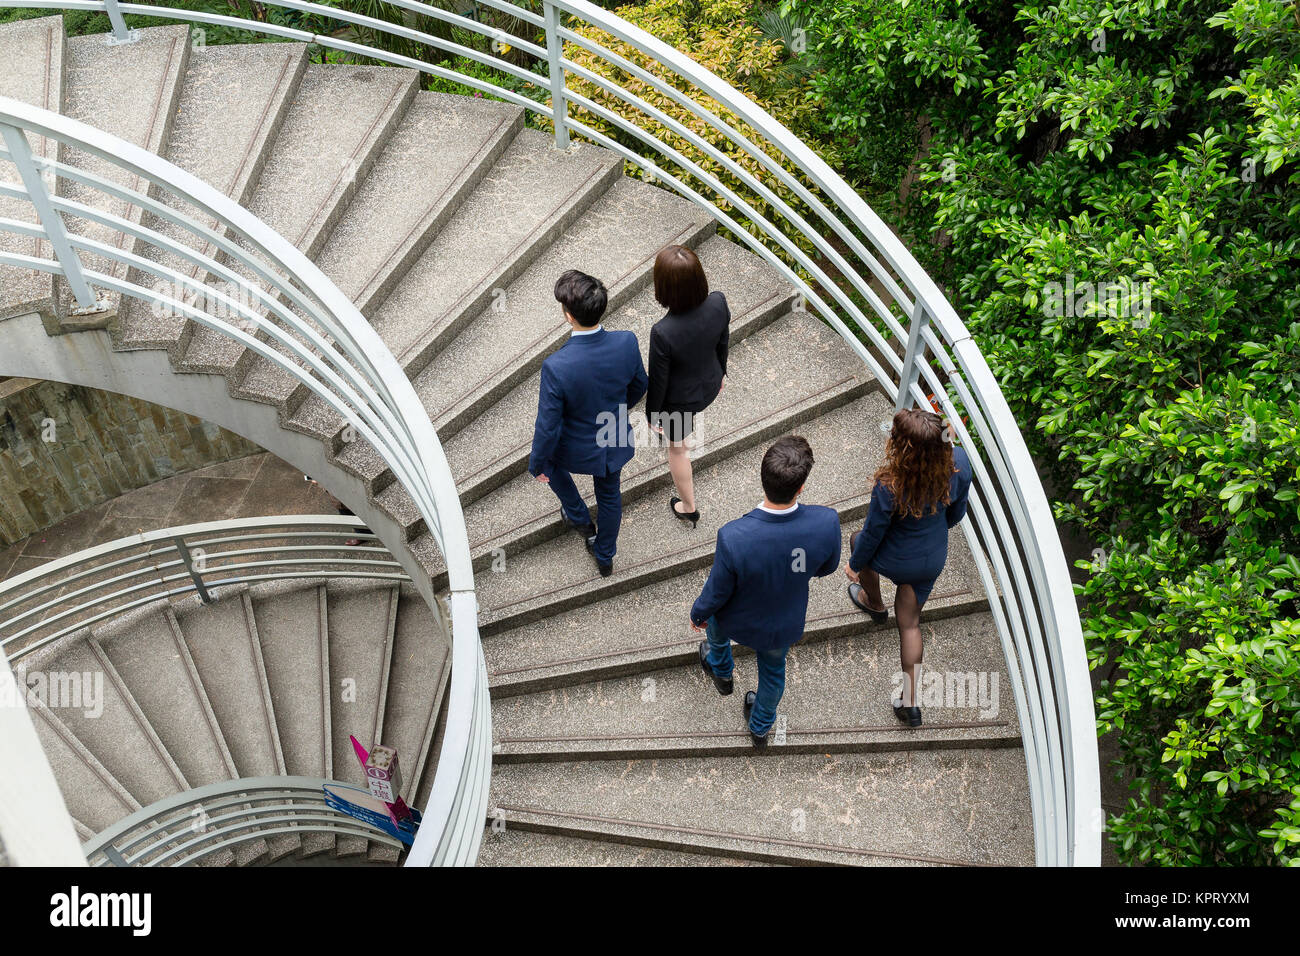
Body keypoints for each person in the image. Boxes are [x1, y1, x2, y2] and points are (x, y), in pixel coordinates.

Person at [690, 435, 841, 748]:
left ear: (762, 479)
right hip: (781, 624)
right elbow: (827, 567)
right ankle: (760, 727)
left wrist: (699, 613)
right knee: (773, 673)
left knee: (716, 632)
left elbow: (718, 590)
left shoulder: (734, 536)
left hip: (736, 619)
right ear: (800, 487)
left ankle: (723, 673)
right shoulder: (826, 522)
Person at [844, 408, 972, 727]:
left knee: (857, 540)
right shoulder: (961, 463)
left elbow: (873, 534)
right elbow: (956, 515)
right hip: (929, 561)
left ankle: (874, 603)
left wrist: (855, 564)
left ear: (903, 448)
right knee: (910, 625)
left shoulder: (890, 484)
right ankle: (910, 704)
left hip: (892, 556)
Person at [528, 269, 648, 577]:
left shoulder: (557, 366)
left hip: (575, 448)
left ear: (569, 316)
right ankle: (604, 555)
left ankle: (579, 516)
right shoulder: (626, 342)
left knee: (548, 464)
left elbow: (548, 425)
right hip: (613, 440)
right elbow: (639, 385)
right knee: (610, 497)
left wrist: (536, 463)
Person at [645, 244, 730, 528]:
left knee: (678, 450)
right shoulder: (718, 301)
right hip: (710, 384)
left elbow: (659, 381)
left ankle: (689, 507)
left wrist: (652, 417)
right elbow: (722, 343)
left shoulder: (662, 332)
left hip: (680, 404)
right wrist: (721, 375)